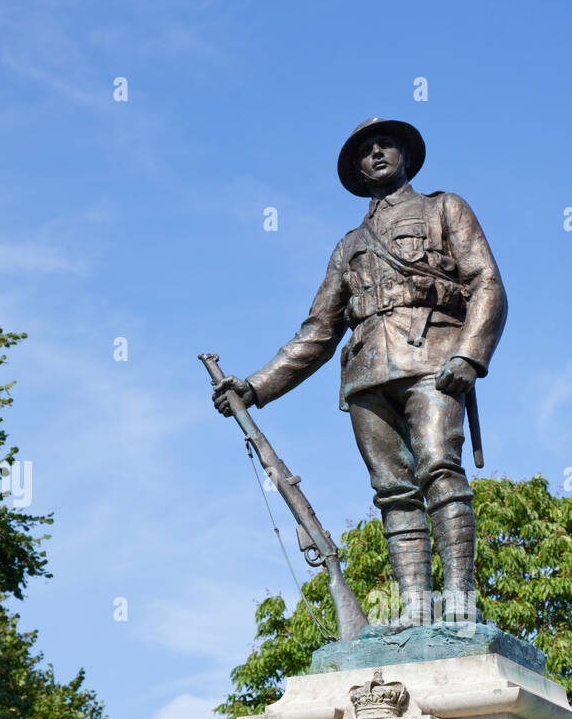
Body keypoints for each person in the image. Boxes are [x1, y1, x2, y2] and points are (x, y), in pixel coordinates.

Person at [212, 117, 508, 625]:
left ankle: (459, 600)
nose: (375, 154)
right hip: (367, 375)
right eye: (364, 151)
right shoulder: (347, 246)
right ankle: (415, 606)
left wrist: (470, 354)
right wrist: (256, 386)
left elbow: (487, 284)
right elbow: (318, 332)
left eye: (385, 145)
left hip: (432, 361)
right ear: (356, 170)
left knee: (438, 465)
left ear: (406, 156)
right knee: (393, 491)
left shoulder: (445, 208)